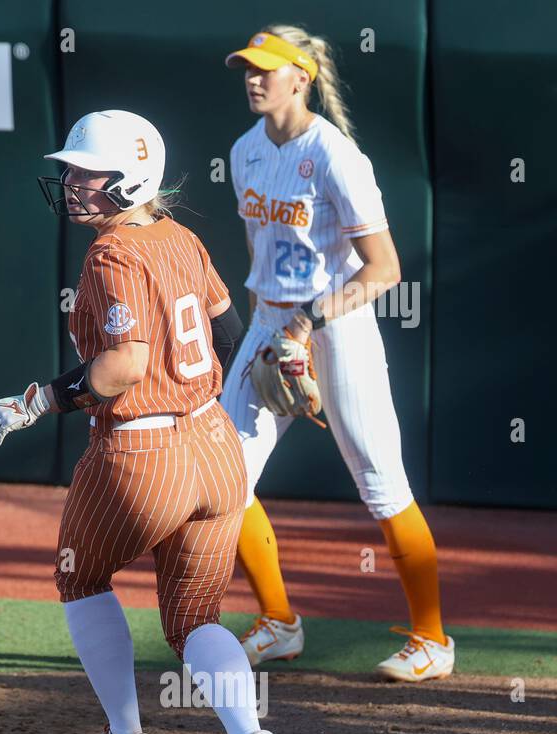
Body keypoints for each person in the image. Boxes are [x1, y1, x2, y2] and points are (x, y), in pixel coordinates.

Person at [0, 110, 280, 734]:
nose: (73, 182)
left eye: (87, 171)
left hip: (141, 452)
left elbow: (121, 369)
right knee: (196, 621)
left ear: (129, 179)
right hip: (214, 445)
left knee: (81, 578)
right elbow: (228, 329)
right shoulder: (180, 235)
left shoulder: (112, 255)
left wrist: (37, 399)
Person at [221, 26, 453, 682]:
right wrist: (273, 332)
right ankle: (279, 623)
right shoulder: (243, 151)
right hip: (272, 324)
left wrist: (308, 325)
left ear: (303, 77)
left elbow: (384, 269)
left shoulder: (334, 155)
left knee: (381, 480)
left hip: (337, 327)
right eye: (247, 68)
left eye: (267, 69)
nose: (253, 78)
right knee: (222, 478)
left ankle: (432, 639)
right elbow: (258, 252)